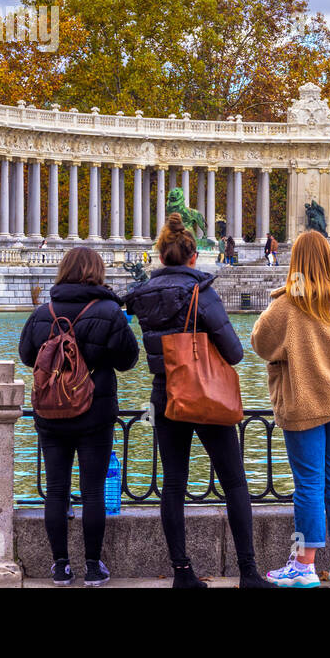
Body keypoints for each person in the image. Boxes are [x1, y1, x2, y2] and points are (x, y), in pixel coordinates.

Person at [124, 214, 271, 589]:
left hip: (166, 392)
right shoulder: (200, 292)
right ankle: (248, 573)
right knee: (235, 483)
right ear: (193, 257)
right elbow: (235, 353)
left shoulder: (142, 295)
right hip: (206, 393)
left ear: (160, 255)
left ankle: (182, 573)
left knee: (173, 484)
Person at [251, 230, 330, 588]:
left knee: (308, 483)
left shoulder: (289, 304)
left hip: (304, 403)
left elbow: (260, 342)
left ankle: (305, 565)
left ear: (296, 263)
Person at [18, 247, 138, 588]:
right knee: (93, 491)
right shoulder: (109, 311)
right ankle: (92, 567)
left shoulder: (44, 312)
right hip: (94, 413)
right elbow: (129, 360)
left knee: (56, 490)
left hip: (51, 414)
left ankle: (59, 567)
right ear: (96, 273)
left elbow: (27, 356)